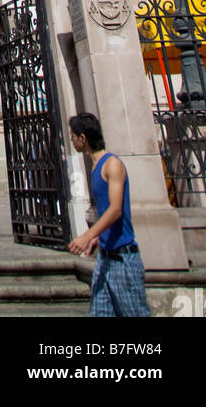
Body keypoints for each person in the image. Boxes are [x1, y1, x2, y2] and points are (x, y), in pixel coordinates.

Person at [68, 112, 150, 318]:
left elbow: (115, 209)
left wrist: (87, 235)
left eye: (73, 136)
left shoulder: (112, 164)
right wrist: (98, 237)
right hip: (105, 258)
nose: (71, 140)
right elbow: (106, 210)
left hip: (123, 260)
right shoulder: (95, 166)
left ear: (83, 138)